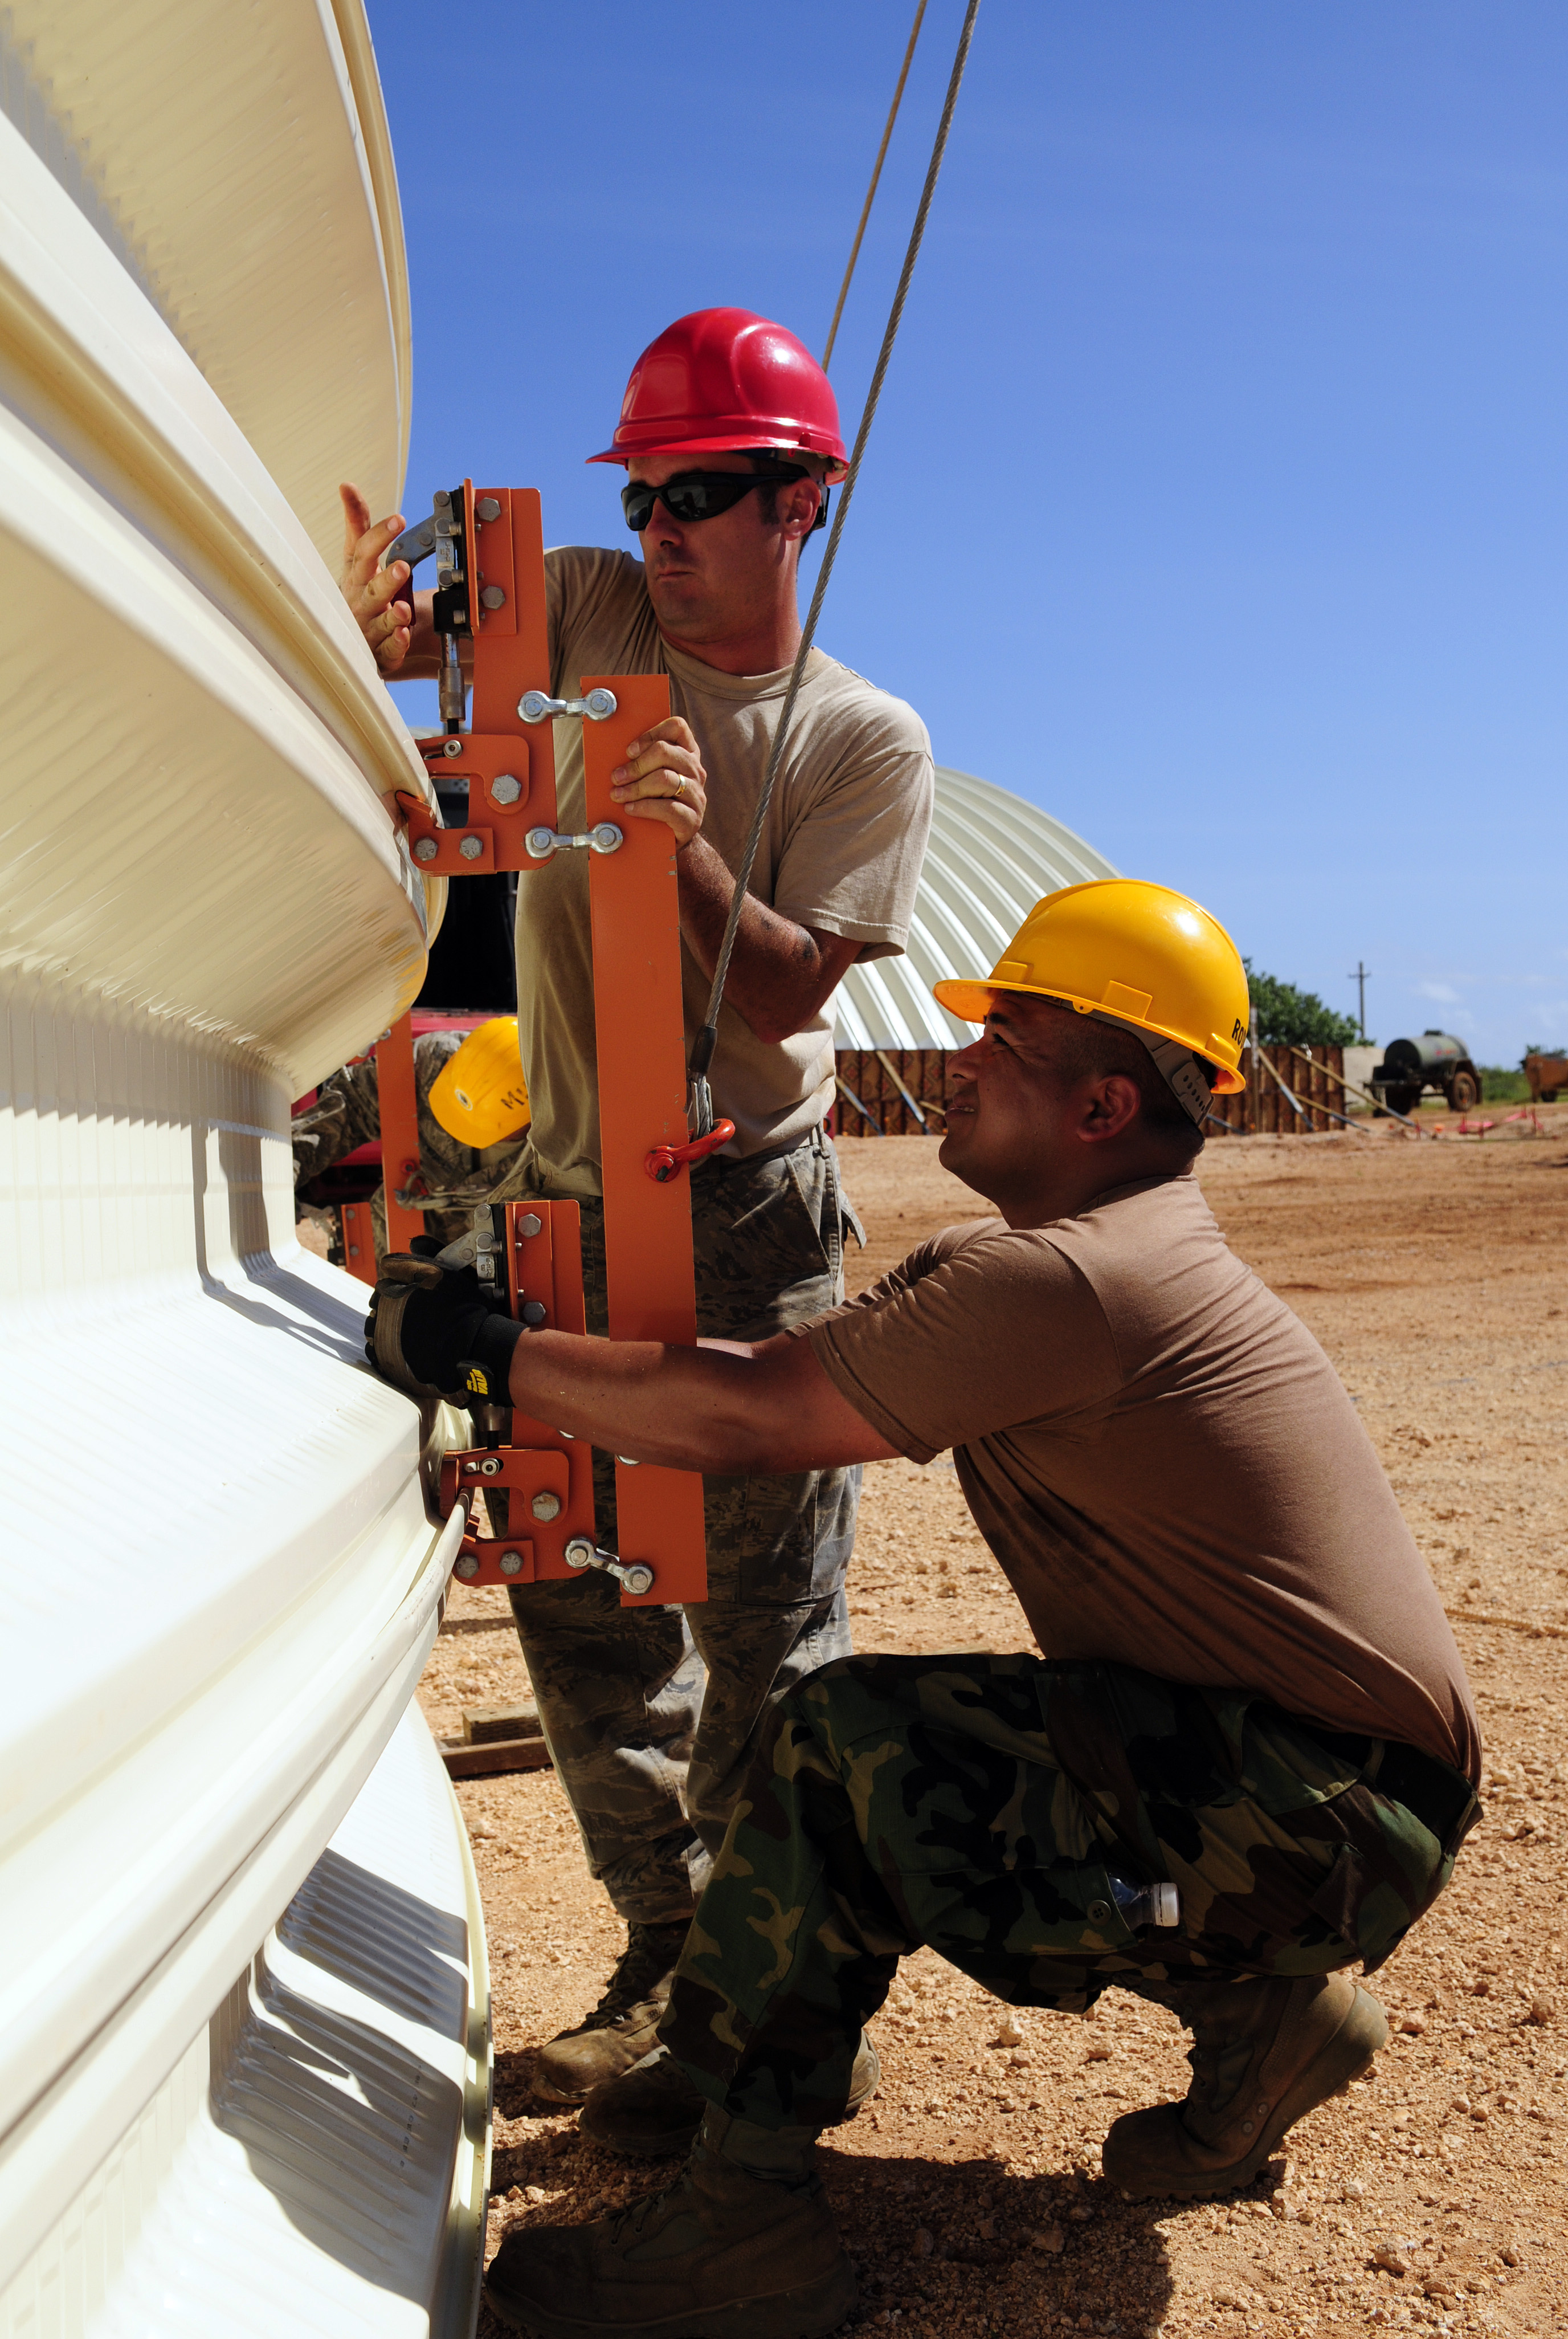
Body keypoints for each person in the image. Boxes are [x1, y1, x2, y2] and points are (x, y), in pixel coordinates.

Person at [364, 877, 1482, 2339]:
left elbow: (758, 1413)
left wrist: (485, 1350)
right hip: (1319, 1794)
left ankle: (743, 2226)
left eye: (1002, 1040)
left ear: (1098, 1109)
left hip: (1312, 1819)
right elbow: (786, 1363)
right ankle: (1263, 2013)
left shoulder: (1077, 1282)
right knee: (946, 1744)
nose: (960, 1058)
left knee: (845, 1743)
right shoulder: (1080, 1258)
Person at [340, 307, 934, 2104]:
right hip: (556, 1193)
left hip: (747, 1206)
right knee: (578, 1589)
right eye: (650, 491)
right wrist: (386, 617)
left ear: (799, 506)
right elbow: (428, 620)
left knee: (766, 1628)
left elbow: (778, 1003)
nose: (665, 527)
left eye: (706, 493)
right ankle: (666, 1954)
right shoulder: (584, 600)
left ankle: (774, 2009)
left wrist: (666, 838)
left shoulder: (857, 740)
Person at [293, 1020, 532, 1260]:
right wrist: (280, 1173)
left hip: (488, 1272)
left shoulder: (560, 1145)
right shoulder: (434, 1059)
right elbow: (352, 1108)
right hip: (395, 1241)